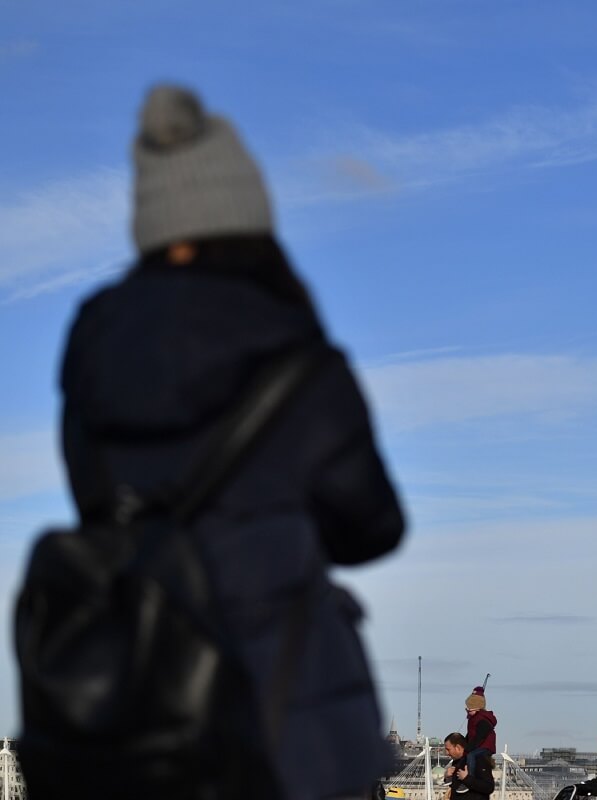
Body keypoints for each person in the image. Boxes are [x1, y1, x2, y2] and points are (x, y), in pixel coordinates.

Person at [48, 84, 406, 799]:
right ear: (248, 217)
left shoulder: (94, 344)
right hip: (282, 710)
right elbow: (371, 526)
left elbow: (95, 499)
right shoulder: (297, 352)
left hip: (135, 702)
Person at [463, 686, 499, 786]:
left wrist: (469, 747)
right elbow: (471, 733)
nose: (468, 711)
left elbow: (479, 737)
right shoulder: (473, 718)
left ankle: (470, 777)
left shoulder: (482, 720)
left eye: (470, 709)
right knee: (467, 754)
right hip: (480, 744)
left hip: (485, 746)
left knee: (471, 755)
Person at [445, 732, 496, 800]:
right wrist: (448, 777)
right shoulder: (457, 762)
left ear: (458, 747)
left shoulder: (479, 760)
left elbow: (489, 787)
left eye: (448, 749)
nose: (447, 753)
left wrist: (467, 778)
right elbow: (457, 789)